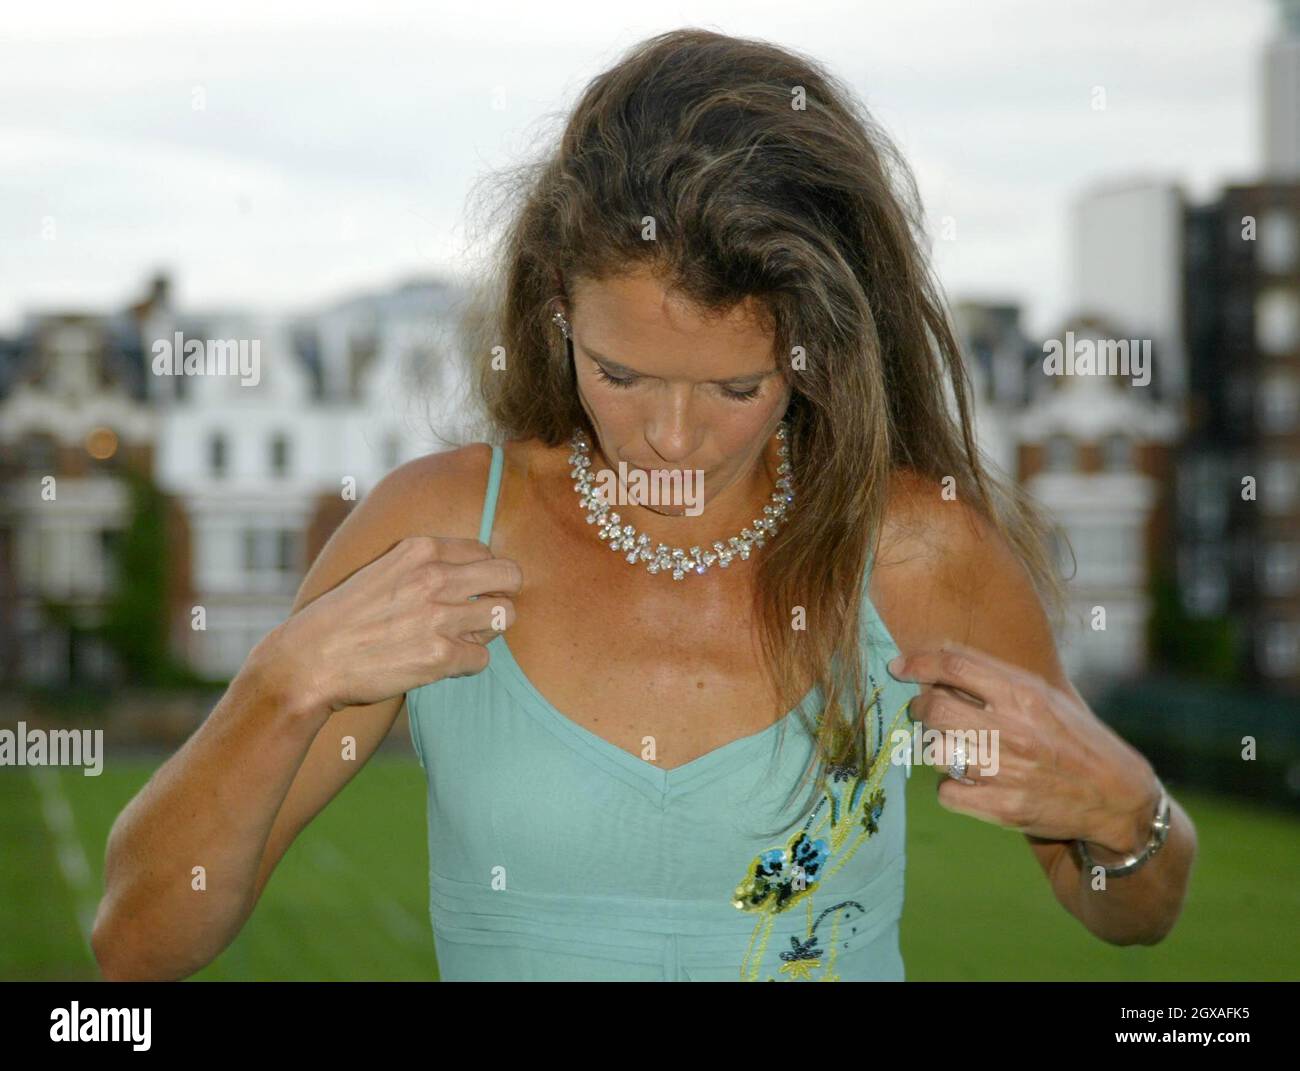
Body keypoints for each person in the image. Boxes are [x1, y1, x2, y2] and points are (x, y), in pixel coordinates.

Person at [91, 28, 1195, 983]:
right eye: (619, 376)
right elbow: (138, 947)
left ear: (819, 358)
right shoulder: (435, 534)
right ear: (554, 309)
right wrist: (285, 680)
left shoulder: (913, 550)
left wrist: (1130, 815)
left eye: (735, 388)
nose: (672, 438)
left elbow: (1127, 910)